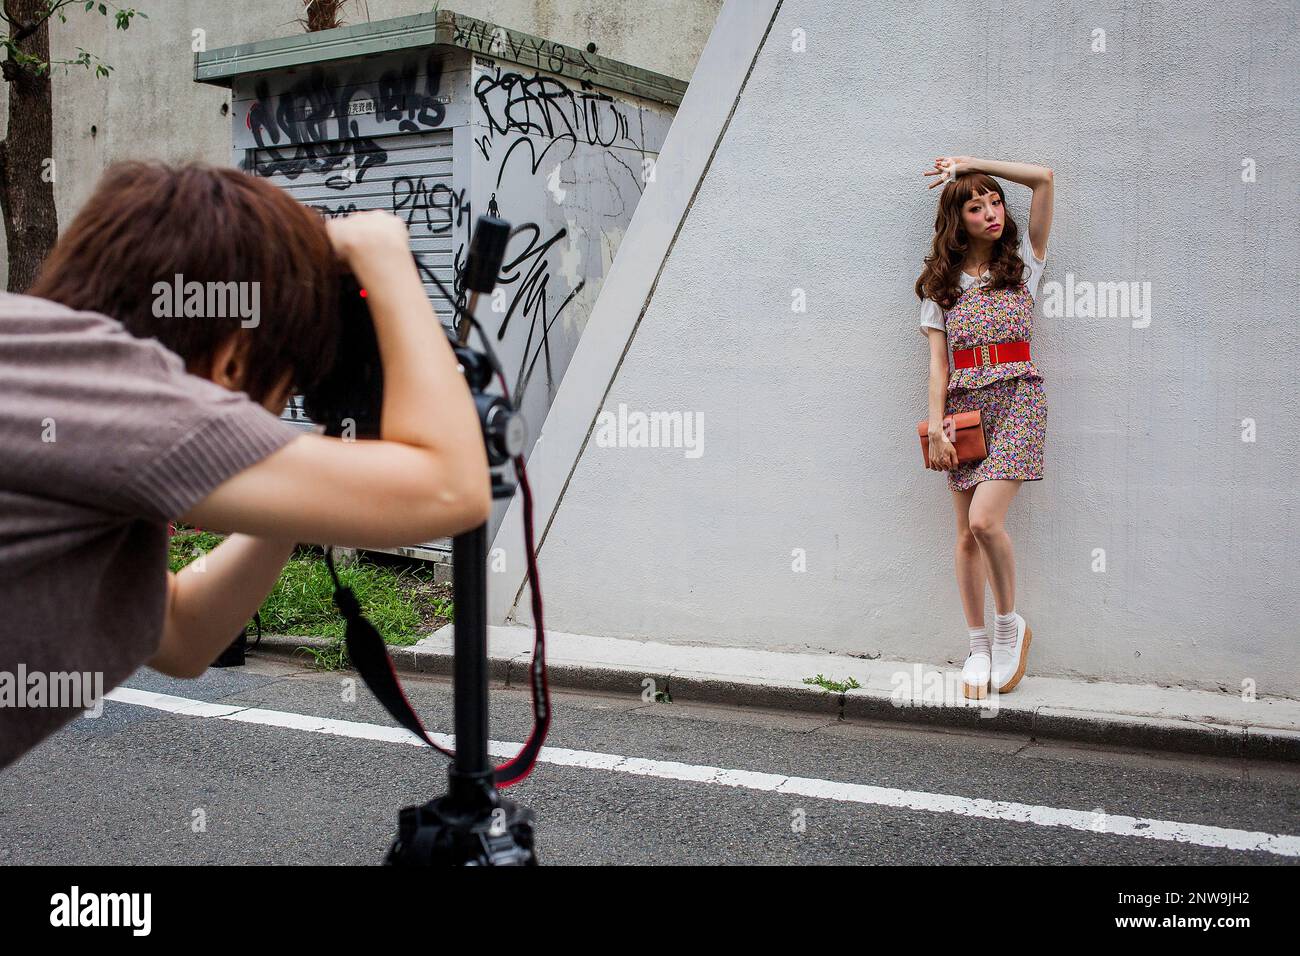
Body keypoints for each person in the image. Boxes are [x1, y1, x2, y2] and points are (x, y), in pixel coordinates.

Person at [0, 161, 491, 769]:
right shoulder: (114, 388)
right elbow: (452, 489)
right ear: (235, 360)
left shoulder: (49, 378)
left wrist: (302, 486)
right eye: (280, 395)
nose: (267, 424)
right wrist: (384, 257)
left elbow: (182, 634)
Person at [914, 156, 1055, 701]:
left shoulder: (1024, 265)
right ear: (959, 219)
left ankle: (1007, 627)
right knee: (964, 535)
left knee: (985, 522)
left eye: (995, 202)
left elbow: (1044, 178)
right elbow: (938, 364)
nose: (991, 213)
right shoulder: (940, 286)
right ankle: (976, 646)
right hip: (965, 409)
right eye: (976, 207)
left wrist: (967, 166)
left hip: (1018, 397)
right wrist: (937, 429)